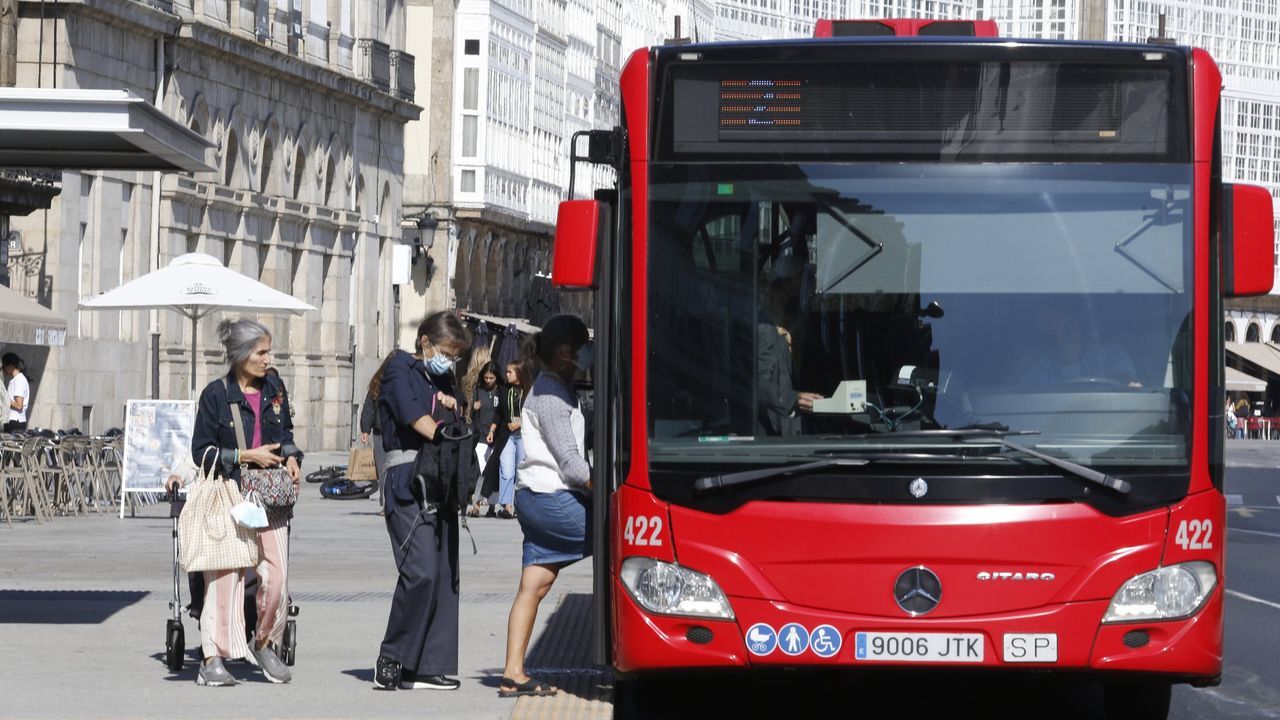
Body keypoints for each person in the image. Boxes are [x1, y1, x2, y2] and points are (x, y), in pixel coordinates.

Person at [183, 318, 303, 687]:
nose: (268, 359)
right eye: (261, 352)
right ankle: (212, 658)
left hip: (270, 496)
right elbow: (200, 450)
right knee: (226, 576)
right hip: (231, 493)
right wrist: (244, 455)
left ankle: (264, 641)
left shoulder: (275, 387)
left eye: (269, 351)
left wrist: (292, 455)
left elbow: (285, 433)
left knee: (277, 575)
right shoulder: (216, 395)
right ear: (239, 355)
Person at [373, 311, 471, 692]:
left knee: (446, 574)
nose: (451, 361)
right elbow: (415, 418)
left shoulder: (443, 376)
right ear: (426, 342)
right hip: (407, 480)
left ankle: (430, 664)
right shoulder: (401, 367)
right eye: (447, 351)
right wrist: (445, 422)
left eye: (456, 356)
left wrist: (452, 406)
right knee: (422, 570)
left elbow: (460, 414)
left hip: (441, 478)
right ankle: (393, 657)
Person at [497, 314, 593, 698]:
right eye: (583, 349)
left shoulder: (550, 388)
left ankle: (512, 673)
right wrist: (613, 494)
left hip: (532, 497)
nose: (587, 356)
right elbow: (571, 464)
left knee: (534, 585)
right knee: (618, 538)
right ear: (564, 352)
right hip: (550, 498)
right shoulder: (552, 395)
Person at [756, 255, 822, 436]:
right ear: (780, 286)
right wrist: (794, 400)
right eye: (797, 283)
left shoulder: (791, 326)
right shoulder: (765, 329)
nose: (803, 290)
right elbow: (758, 383)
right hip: (775, 432)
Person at [1020, 307, 1140, 387]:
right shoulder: (1036, 372)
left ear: (1078, 324)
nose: (1060, 333)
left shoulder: (1112, 356)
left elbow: (1133, 389)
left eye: (1066, 325)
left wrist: (1127, 381)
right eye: (1051, 327)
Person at [360, 352, 396, 508]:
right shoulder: (377, 384)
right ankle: (385, 503)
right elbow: (369, 407)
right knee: (382, 470)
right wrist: (365, 430)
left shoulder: (403, 383)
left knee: (394, 468)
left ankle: (393, 501)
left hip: (397, 432)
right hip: (380, 432)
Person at [494, 360, 529, 518]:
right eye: (506, 371)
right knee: (506, 470)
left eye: (510, 372)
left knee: (521, 471)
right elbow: (499, 412)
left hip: (524, 435)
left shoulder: (529, 390)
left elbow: (535, 413)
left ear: (519, 374)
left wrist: (520, 423)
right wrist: (492, 429)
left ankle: (521, 506)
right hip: (506, 435)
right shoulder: (503, 390)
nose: (506, 375)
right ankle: (507, 506)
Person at [3, 352, 31, 432]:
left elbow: (19, 405)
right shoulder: (15, 380)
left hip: (15, 422)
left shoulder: (19, 381)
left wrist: (4, 399)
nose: (3, 369)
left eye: (4, 366)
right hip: (11, 420)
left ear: (11, 366)